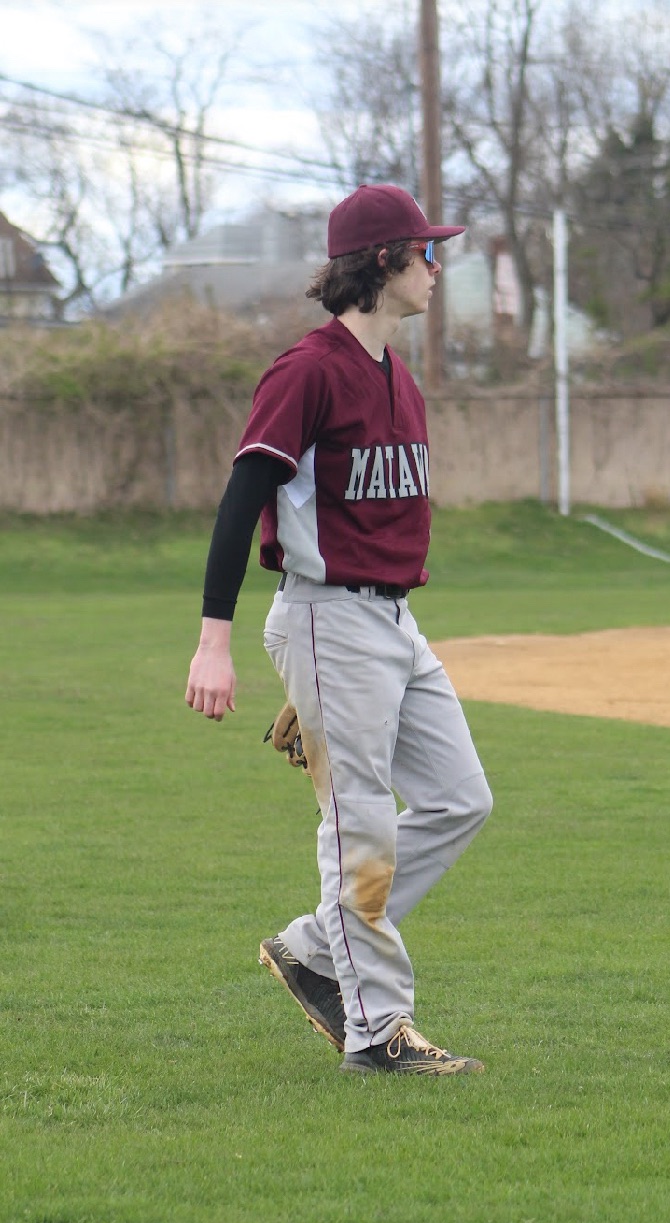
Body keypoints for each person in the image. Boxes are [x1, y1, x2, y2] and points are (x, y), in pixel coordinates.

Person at [185, 184, 493, 1076]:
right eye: (424, 252)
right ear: (383, 261)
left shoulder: (399, 376)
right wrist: (215, 641)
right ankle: (377, 1032)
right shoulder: (307, 371)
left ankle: (316, 945)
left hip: (393, 622)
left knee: (459, 800)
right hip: (328, 616)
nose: (435, 266)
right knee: (359, 824)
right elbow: (241, 501)